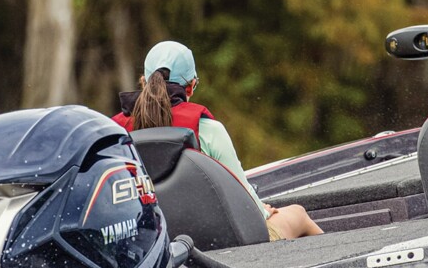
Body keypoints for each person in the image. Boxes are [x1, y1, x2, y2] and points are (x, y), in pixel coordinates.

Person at [111, 41, 322, 241]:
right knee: (298, 214)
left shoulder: (115, 133)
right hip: (215, 241)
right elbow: (243, 198)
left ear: (143, 82)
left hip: (150, 246)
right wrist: (263, 211)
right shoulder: (208, 130)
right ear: (191, 87)